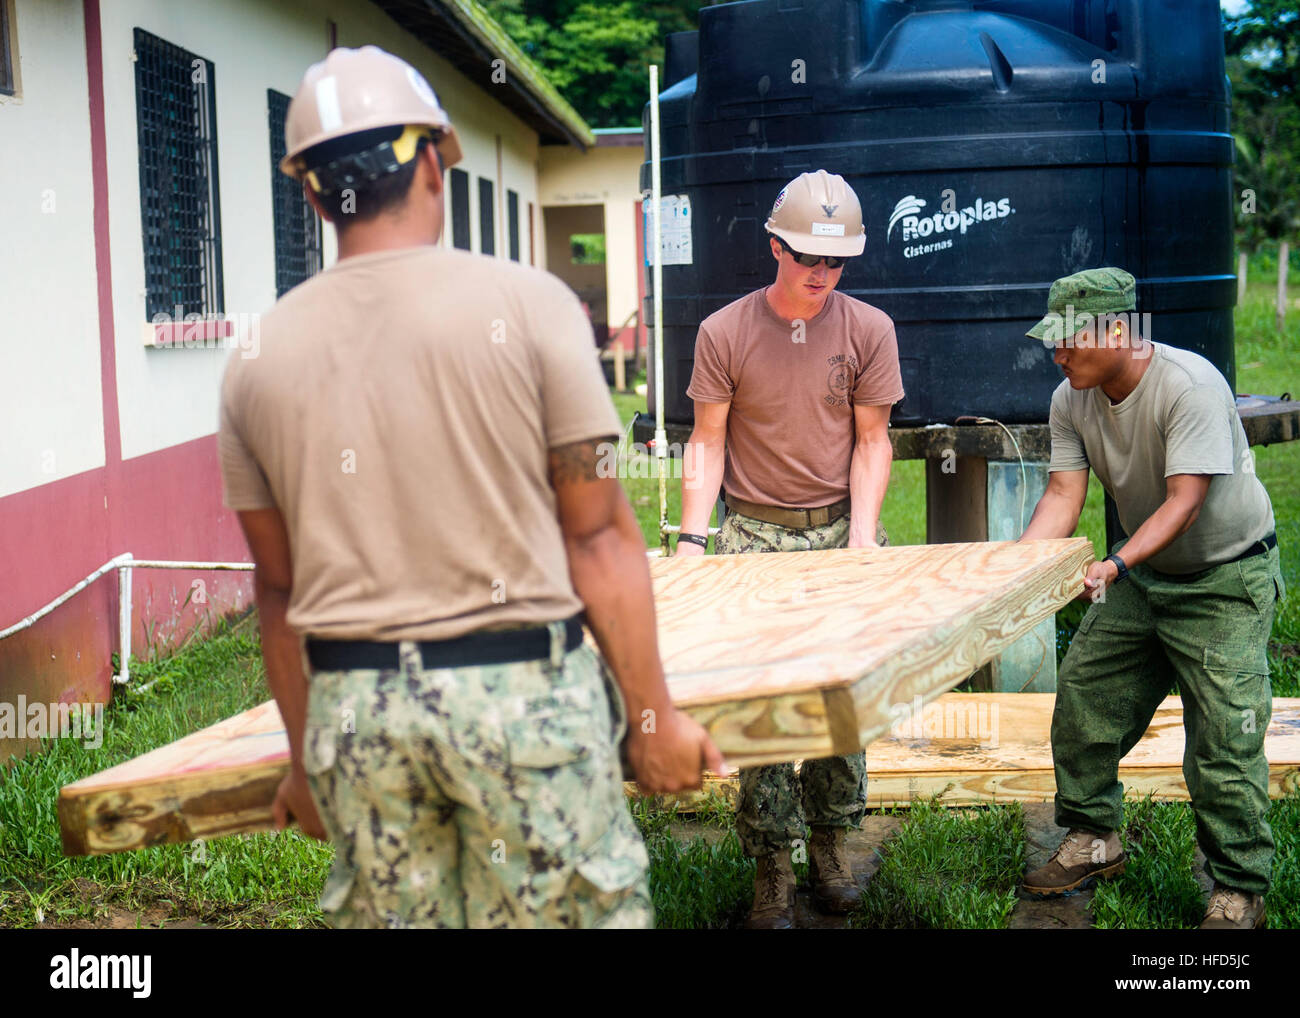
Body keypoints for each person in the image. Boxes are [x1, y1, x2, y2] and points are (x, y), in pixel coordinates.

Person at [218, 46, 723, 929]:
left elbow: (279, 587)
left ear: (310, 192)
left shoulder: (257, 357)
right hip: (522, 702)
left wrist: (304, 763)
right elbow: (597, 533)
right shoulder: (531, 309)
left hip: (357, 719)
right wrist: (655, 721)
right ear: (430, 164)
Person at [1018, 267, 1284, 929]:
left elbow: (1185, 504)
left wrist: (1115, 563)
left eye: (1069, 341)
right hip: (1144, 574)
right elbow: (1061, 496)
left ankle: (1238, 887)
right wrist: (1013, 574)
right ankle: (1094, 838)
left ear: (1115, 329)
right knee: (1084, 694)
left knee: (1224, 736)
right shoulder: (1070, 399)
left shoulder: (1188, 385)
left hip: (1224, 578)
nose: (1058, 355)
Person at [675, 170, 903, 928]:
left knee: (842, 699)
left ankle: (834, 841)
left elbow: (874, 442)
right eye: (807, 255)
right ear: (774, 245)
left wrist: (863, 539)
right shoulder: (724, 332)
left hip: (836, 528)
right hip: (750, 534)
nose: (821, 274)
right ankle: (773, 861)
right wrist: (690, 541)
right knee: (765, 703)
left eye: (836, 262)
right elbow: (707, 444)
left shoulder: (868, 329)